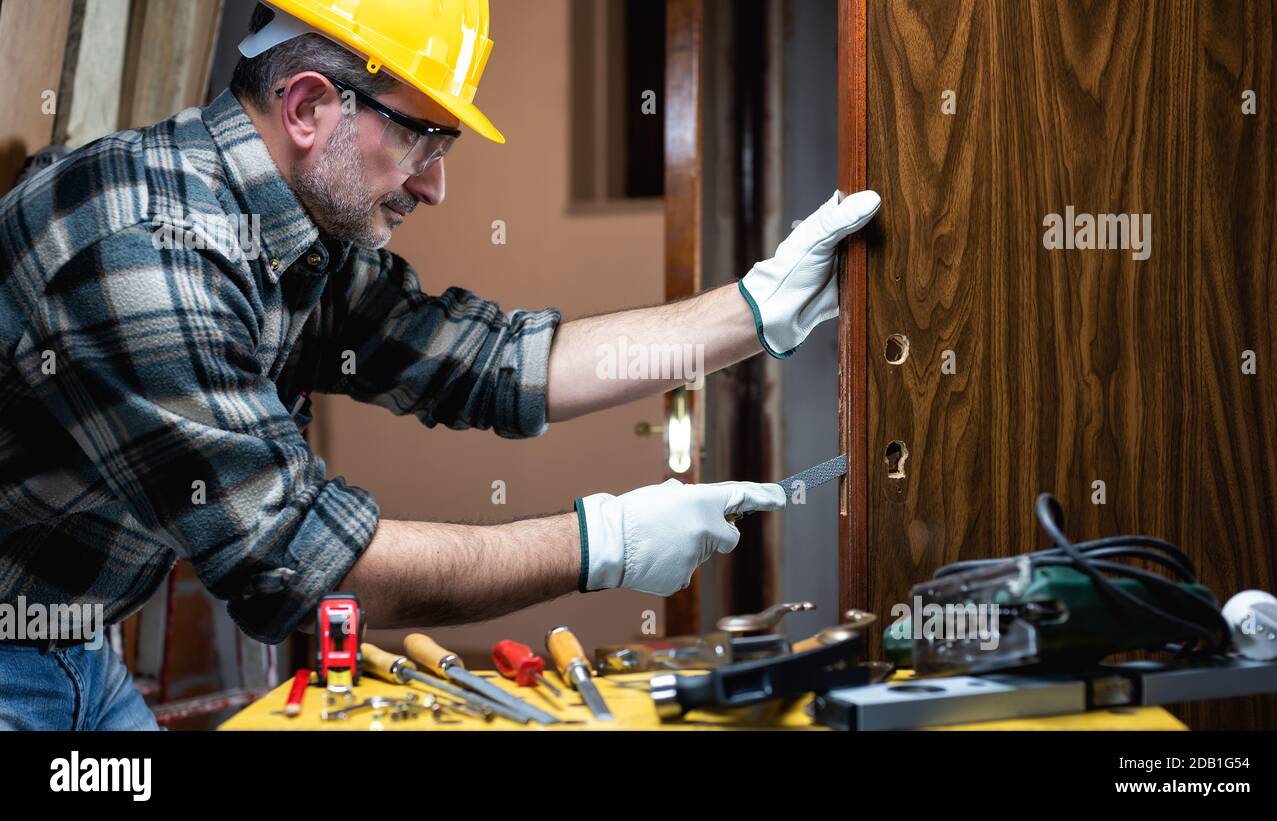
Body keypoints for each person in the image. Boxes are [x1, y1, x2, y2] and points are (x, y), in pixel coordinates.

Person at [0, 0, 880, 729]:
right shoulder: (142, 247)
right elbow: (304, 560)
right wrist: (602, 543)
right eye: (423, 139)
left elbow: (490, 363)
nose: (434, 186)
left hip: (80, 649)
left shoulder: (287, 235)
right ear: (308, 107)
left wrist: (759, 308)